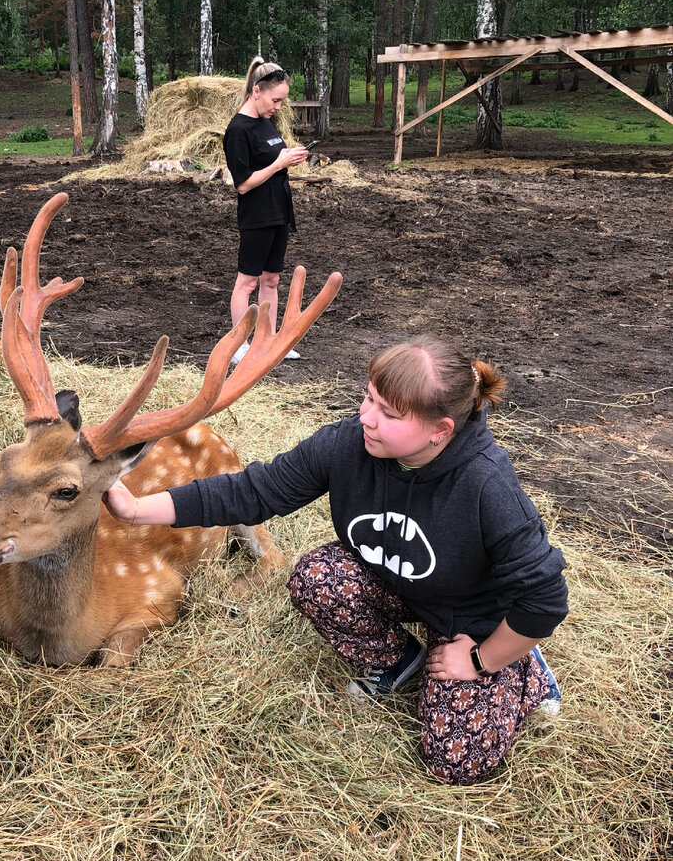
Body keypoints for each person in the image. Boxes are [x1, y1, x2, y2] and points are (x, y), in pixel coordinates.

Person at [104, 335, 568, 786]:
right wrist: (137, 509)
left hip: (472, 620)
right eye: (368, 398)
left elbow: (545, 600)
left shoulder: (487, 485)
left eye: (388, 414)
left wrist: (481, 659)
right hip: (400, 582)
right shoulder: (349, 444)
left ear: (439, 431)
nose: (366, 416)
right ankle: (398, 659)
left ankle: (524, 669)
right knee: (317, 577)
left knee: (456, 761)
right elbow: (253, 491)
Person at [223, 58, 309, 365]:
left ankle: (268, 342)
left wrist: (290, 157)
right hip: (257, 215)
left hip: (279, 211)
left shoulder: (266, 122)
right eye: (276, 100)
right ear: (256, 91)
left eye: (282, 101)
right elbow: (243, 184)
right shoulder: (238, 130)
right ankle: (239, 345)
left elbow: (272, 158)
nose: (279, 107)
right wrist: (279, 163)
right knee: (247, 282)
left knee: (271, 280)